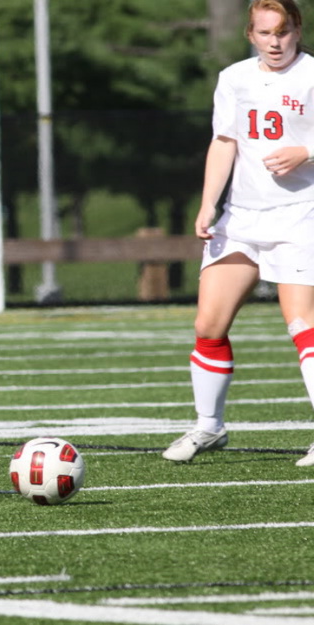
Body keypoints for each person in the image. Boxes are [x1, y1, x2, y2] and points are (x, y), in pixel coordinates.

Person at [162, 0, 314, 466]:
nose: (275, 42)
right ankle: (209, 427)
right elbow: (225, 141)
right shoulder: (234, 78)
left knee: (301, 324)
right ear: (250, 34)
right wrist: (209, 203)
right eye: (265, 33)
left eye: (283, 32)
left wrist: (305, 151)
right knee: (208, 323)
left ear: (297, 30)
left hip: (300, 216)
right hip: (242, 218)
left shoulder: (312, 74)